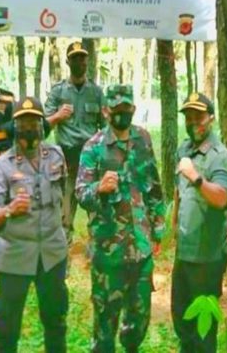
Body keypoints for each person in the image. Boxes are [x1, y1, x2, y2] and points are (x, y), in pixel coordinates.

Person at [76, 84, 165, 353]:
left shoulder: (143, 140)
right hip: (108, 252)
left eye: (126, 108)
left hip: (140, 248)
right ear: (106, 111)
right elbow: (81, 194)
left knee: (139, 320)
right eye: (115, 109)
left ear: (133, 109)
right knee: (105, 323)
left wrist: (157, 229)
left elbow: (154, 186)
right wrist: (98, 188)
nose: (121, 114)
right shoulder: (93, 147)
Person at [0, 97, 69, 353]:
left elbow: (63, 195)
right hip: (14, 256)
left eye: (34, 121)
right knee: (7, 326)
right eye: (23, 123)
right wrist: (8, 210)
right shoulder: (2, 164)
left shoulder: (56, 155)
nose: (29, 127)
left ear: (42, 125)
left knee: (56, 321)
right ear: (15, 126)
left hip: (52, 253)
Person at [171, 92, 227, 352]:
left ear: (211, 118)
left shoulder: (220, 157)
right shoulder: (184, 150)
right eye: (188, 117)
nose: (193, 122)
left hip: (208, 257)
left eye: (198, 117)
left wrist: (196, 177)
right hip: (185, 251)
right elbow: (179, 192)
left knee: (203, 328)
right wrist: (174, 224)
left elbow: (221, 198)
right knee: (181, 319)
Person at [44, 41, 105, 242]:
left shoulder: (96, 92)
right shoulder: (58, 92)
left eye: (83, 58)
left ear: (87, 61)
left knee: (96, 210)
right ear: (68, 62)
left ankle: (97, 248)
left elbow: (106, 128)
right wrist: (58, 116)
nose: (80, 62)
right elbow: (42, 126)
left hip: (90, 159)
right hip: (67, 158)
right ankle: (64, 250)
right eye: (75, 58)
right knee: (65, 211)